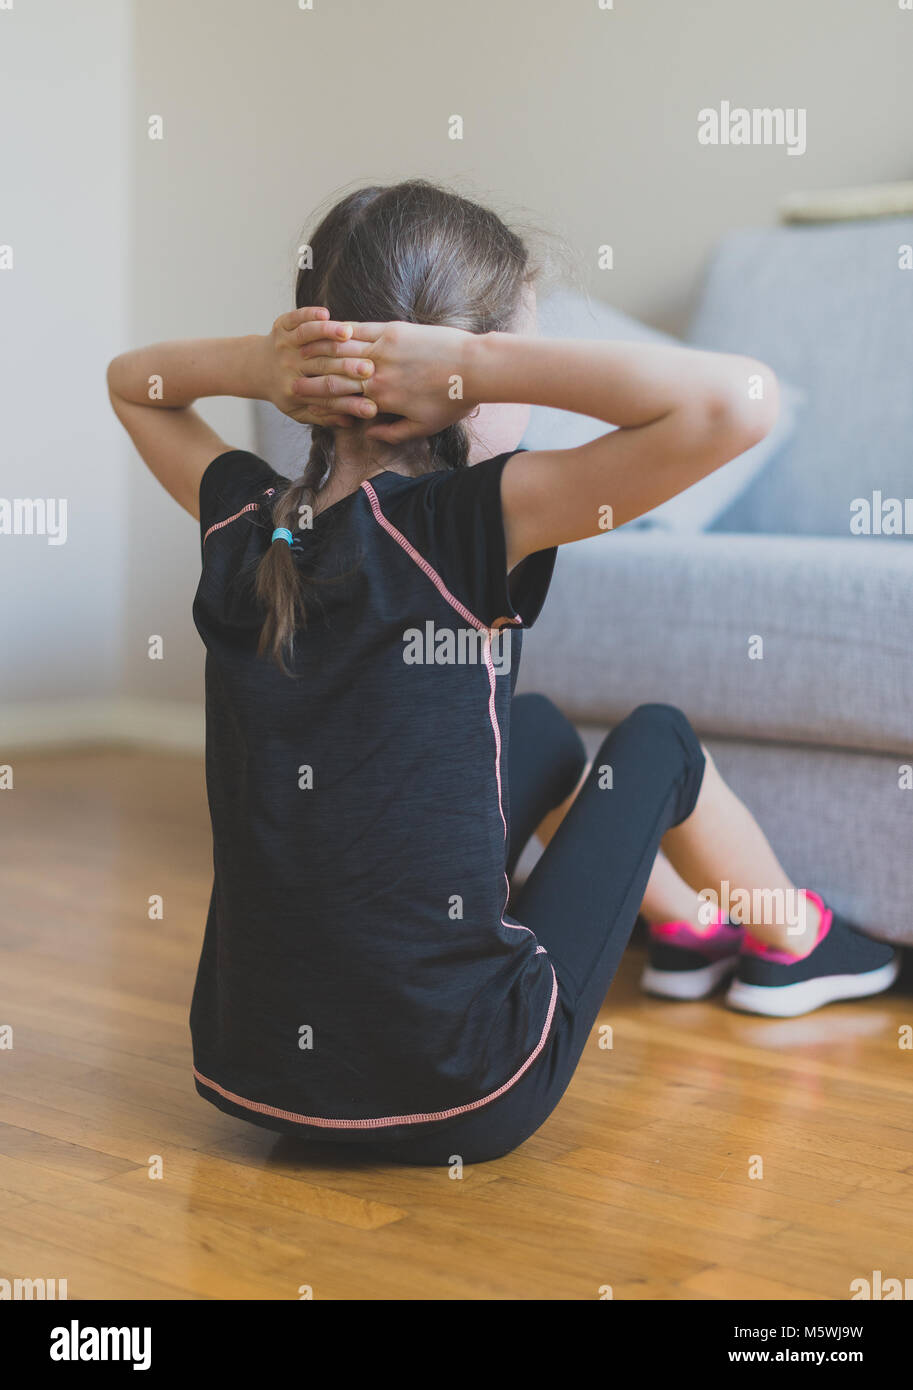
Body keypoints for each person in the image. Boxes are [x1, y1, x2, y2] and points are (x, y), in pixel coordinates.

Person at [107, 180, 898, 1165]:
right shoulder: (472, 520)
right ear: (462, 375)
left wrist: (265, 368)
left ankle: (691, 928)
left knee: (540, 731)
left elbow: (131, 380)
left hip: (256, 1070)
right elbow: (737, 403)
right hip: (465, 1084)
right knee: (657, 741)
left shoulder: (248, 516)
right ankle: (795, 941)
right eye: (513, 348)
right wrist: (476, 362)